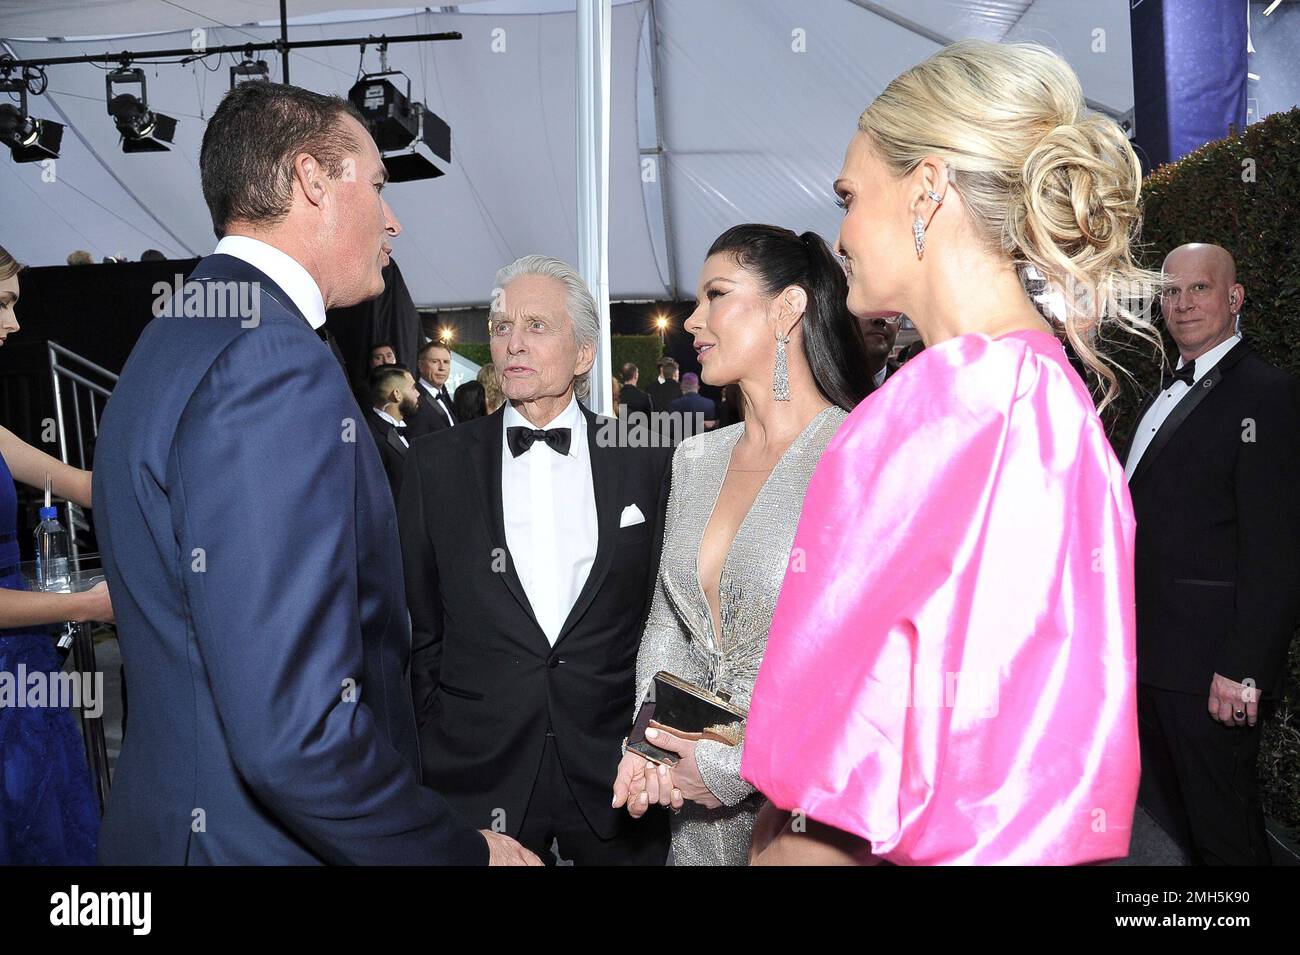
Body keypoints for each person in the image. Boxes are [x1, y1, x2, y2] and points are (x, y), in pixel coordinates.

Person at [92, 82, 536, 865]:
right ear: (311, 180)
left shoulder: (185, 331)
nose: (393, 218)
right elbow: (294, 732)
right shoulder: (268, 360)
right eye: (378, 185)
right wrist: (461, 853)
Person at [741, 40, 1159, 865]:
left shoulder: (951, 410)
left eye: (849, 195)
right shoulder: (1044, 398)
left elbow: (847, 783)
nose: (842, 234)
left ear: (926, 190)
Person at [610, 224, 872, 865]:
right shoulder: (697, 458)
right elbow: (670, 628)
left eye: (716, 295)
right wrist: (648, 748)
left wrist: (736, 766)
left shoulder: (855, 454)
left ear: (787, 308)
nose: (693, 320)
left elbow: (861, 667)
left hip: (805, 803)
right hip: (693, 803)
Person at [399, 255, 672, 865]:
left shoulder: (643, 460)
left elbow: (662, 616)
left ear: (584, 353)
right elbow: (420, 624)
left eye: (537, 326)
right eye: (500, 327)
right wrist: (436, 735)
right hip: (475, 767)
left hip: (614, 768)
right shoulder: (434, 463)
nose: (513, 343)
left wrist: (649, 741)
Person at [1120, 242, 1300, 865]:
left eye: (1199, 289)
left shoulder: (1267, 395)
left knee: (1226, 837)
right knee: (1174, 831)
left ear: (1234, 298)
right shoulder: (1157, 392)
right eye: (1171, 291)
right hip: (1150, 663)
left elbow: (1275, 551)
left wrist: (1244, 667)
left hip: (1212, 675)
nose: (1182, 303)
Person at [0, 244, 114, 865]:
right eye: (2, 304)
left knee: (51, 827)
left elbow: (86, 486)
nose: (14, 323)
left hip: (25, 666)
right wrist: (88, 601)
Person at [365, 363, 419, 501]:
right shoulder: (371, 436)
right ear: (397, 395)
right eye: (413, 388)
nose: (418, 393)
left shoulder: (404, 428)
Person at [405, 340, 457, 438]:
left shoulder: (445, 398)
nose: (442, 367)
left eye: (446, 362)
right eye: (435, 361)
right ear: (420, 366)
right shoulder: (415, 399)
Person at [860, 314, 902, 387]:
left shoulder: (915, 391)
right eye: (867, 309)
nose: (880, 319)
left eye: (889, 312)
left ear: (898, 329)